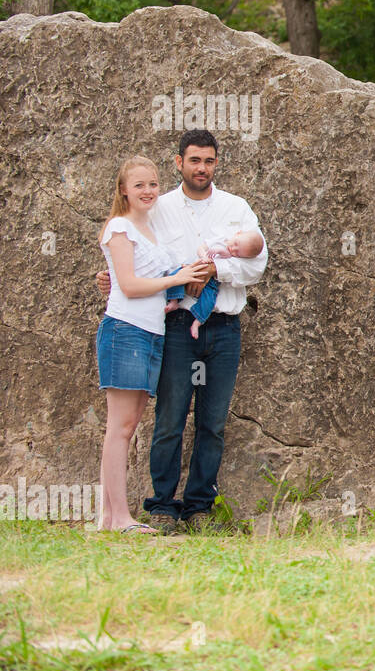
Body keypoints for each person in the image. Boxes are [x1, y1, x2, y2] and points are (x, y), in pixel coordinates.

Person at [97, 129, 268, 532]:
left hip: (223, 328)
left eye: (209, 161)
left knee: (213, 422)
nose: (202, 168)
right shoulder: (158, 207)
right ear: (179, 163)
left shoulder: (236, 207)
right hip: (173, 326)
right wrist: (110, 278)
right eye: (194, 160)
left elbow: (256, 265)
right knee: (169, 419)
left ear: (216, 163)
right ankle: (161, 505)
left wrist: (215, 269)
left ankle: (199, 509)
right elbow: (135, 256)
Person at [96, 157, 202, 533]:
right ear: (123, 189)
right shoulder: (120, 227)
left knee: (127, 426)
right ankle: (119, 518)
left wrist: (179, 283)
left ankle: (110, 517)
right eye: (139, 184)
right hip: (126, 330)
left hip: (151, 333)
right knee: (120, 427)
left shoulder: (150, 229)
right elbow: (128, 285)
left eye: (154, 184)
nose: (148, 191)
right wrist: (178, 277)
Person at [167, 230, 265, 339]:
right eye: (236, 244)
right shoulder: (220, 239)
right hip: (194, 267)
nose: (233, 249)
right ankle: (173, 301)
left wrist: (223, 255)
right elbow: (201, 248)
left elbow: (236, 261)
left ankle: (197, 322)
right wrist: (204, 256)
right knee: (175, 277)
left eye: (237, 253)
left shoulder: (231, 254)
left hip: (212, 282)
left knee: (209, 302)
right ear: (238, 233)